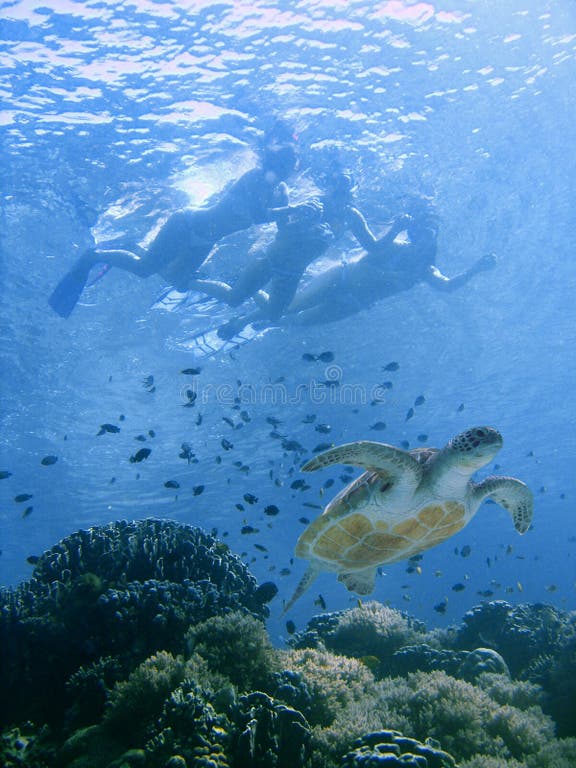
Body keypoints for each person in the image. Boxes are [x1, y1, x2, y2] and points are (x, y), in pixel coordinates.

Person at [48, 132, 299, 318]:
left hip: (204, 240)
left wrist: (296, 212)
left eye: (291, 167)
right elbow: (257, 215)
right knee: (145, 268)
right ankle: (92, 257)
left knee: (177, 281)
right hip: (187, 224)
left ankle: (132, 246)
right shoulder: (253, 177)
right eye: (285, 166)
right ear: (273, 163)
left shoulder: (279, 192)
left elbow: (284, 228)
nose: (287, 172)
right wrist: (292, 208)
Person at [189, 169, 376, 338]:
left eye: (343, 188)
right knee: (233, 299)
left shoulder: (352, 216)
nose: (338, 194)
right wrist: (307, 227)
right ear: (329, 186)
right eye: (336, 186)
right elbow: (283, 228)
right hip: (272, 258)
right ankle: (189, 282)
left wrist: (396, 229)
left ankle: (242, 298)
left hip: (293, 272)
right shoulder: (315, 203)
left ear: (352, 190)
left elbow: (372, 246)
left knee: (274, 315)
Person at [285, 196, 497, 325]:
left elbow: (447, 286)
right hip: (341, 278)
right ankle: (257, 299)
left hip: (353, 303)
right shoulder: (396, 248)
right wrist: (393, 275)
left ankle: (257, 322)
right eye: (422, 234)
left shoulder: (424, 269)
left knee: (295, 323)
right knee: (289, 308)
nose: (424, 241)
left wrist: (476, 269)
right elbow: (362, 266)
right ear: (414, 233)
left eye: (430, 235)